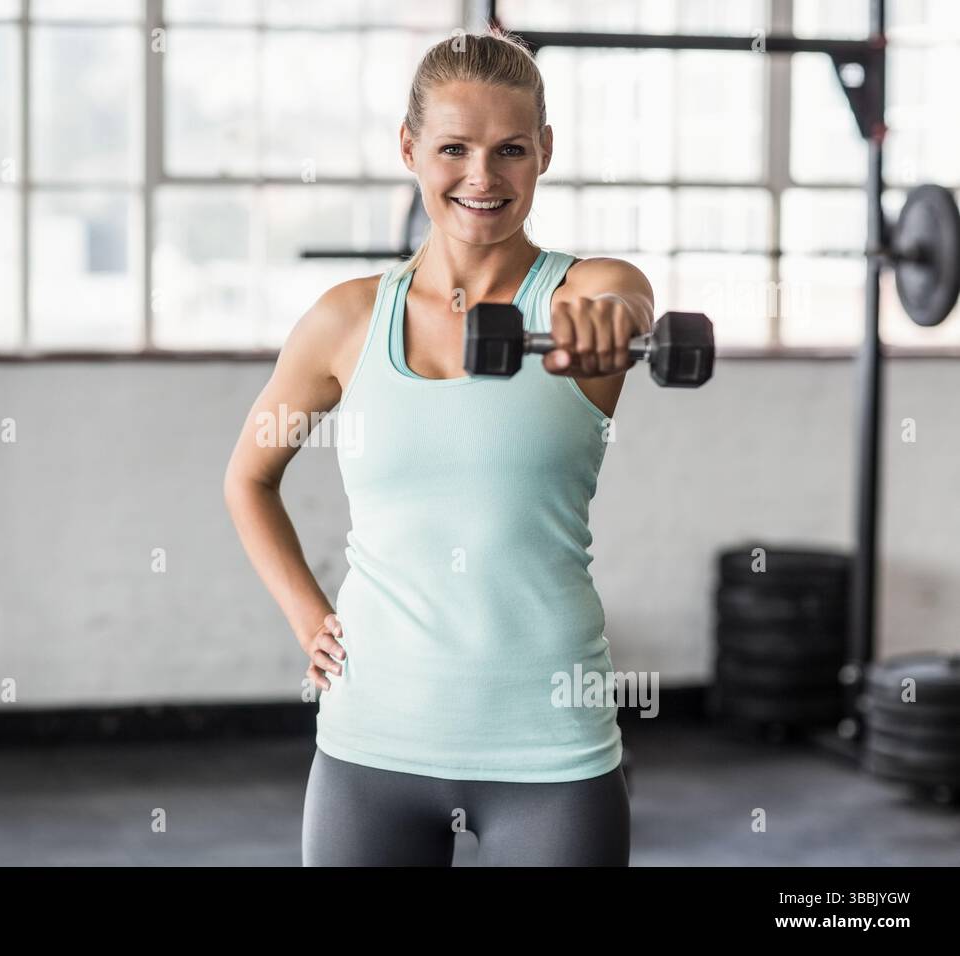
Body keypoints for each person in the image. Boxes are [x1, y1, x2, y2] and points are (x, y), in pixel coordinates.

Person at [223, 28, 652, 866]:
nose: (483, 177)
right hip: (370, 745)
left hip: (550, 750)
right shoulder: (346, 321)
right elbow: (249, 477)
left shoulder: (582, 298)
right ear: (410, 148)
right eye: (454, 148)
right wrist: (309, 618)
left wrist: (617, 318)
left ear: (545, 153)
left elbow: (626, 295)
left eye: (511, 150)